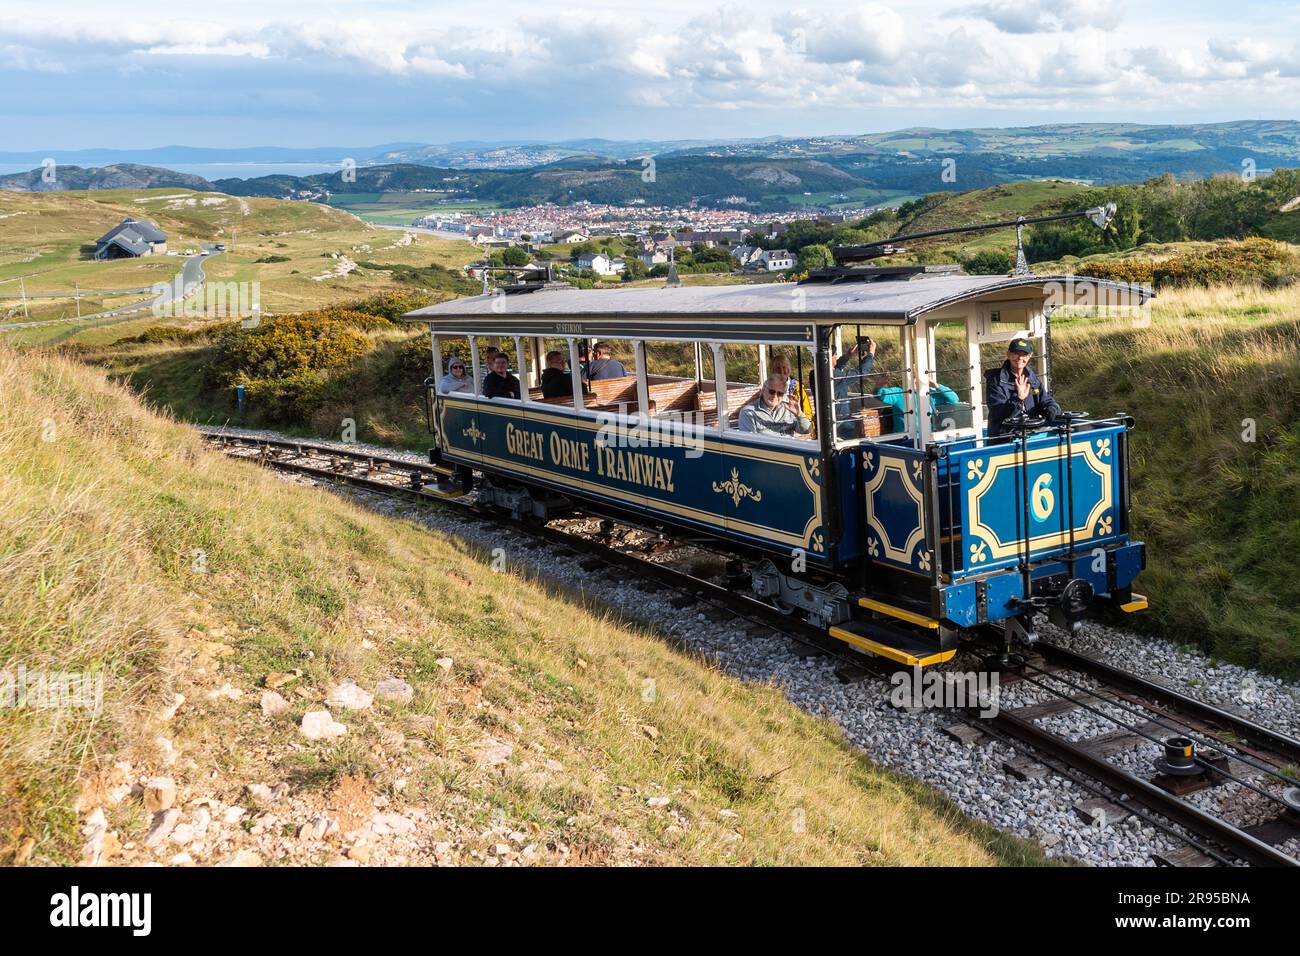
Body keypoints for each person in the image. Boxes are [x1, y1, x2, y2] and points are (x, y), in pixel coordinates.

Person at [985, 337, 1061, 436]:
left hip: (1032, 434)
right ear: (1008, 355)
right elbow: (997, 411)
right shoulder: (996, 380)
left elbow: (1045, 400)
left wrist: (1052, 408)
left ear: (1029, 356)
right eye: (1016, 354)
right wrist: (1018, 398)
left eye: (1024, 355)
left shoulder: (1033, 379)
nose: (1020, 358)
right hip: (1005, 438)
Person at [737, 373, 812, 437]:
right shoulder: (748, 412)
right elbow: (751, 443)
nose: (775, 396)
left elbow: (806, 430)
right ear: (763, 390)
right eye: (771, 391)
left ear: (783, 395)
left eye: (780, 393)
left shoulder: (788, 409)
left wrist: (799, 414)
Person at [769, 353, 814, 429]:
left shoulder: (797, 387)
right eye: (777, 368)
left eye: (784, 367)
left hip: (794, 426)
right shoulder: (768, 388)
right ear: (772, 371)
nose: (781, 370)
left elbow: (807, 412)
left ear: (789, 369)